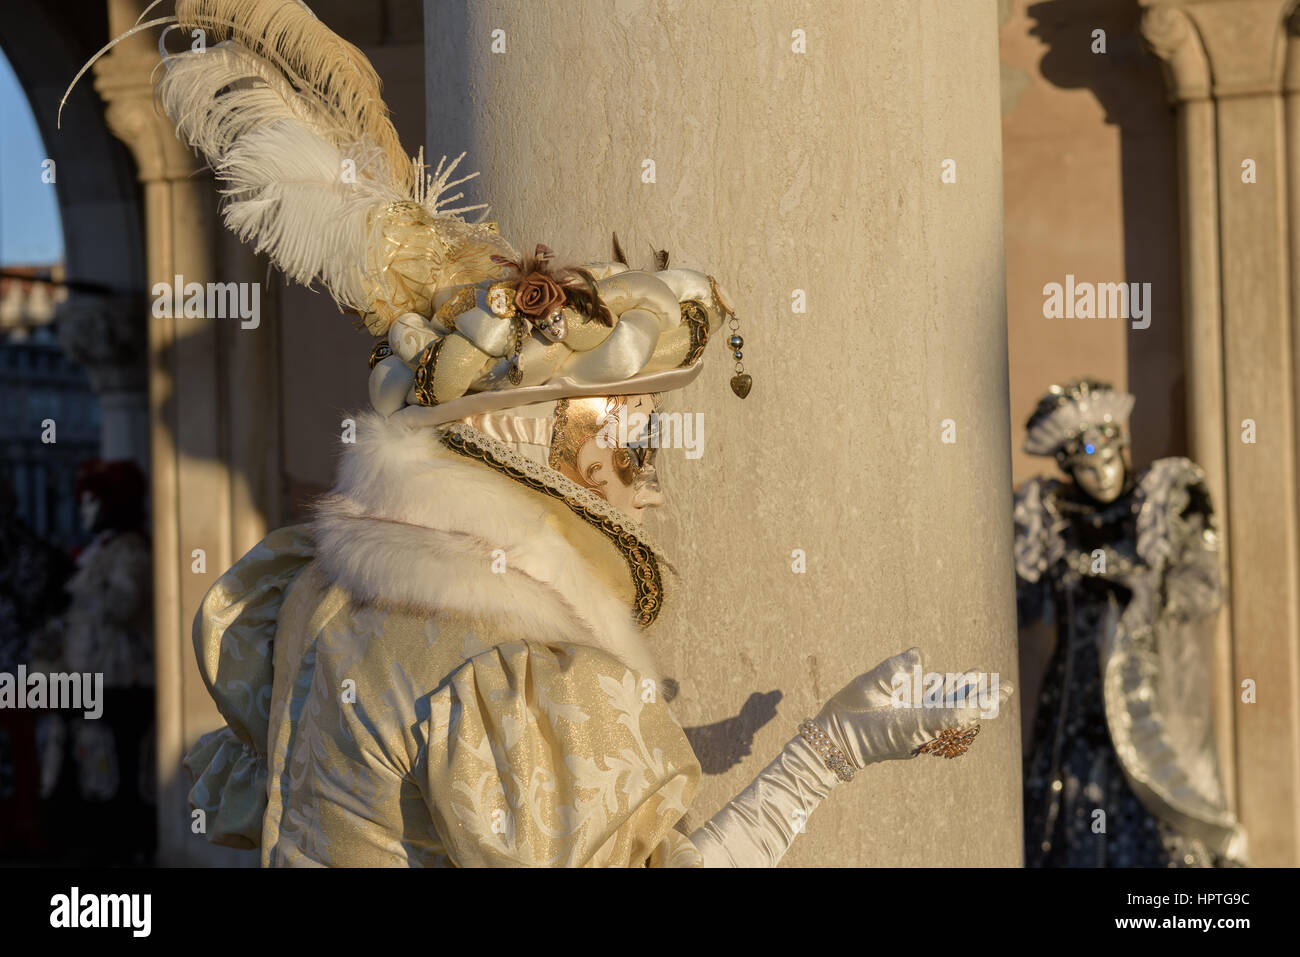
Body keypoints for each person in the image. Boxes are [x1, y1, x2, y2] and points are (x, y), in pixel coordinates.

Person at [84, 0, 1013, 866]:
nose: (651, 480)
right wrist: (828, 750)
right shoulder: (507, 660)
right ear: (524, 433)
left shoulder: (332, 594)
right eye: (628, 434)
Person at [1013, 379, 1246, 867]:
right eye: (1087, 468)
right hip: (1075, 701)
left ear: (1123, 451)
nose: (1101, 478)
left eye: (1109, 462)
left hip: (1150, 693)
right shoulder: (1049, 516)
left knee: (1161, 791)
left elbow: (1203, 589)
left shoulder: (1161, 504)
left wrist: (1149, 592)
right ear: (1069, 470)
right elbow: (1021, 604)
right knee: (1073, 802)